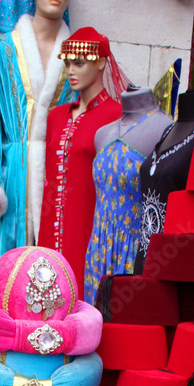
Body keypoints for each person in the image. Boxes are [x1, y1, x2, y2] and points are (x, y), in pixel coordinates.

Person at [0, 0, 91, 259]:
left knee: (53, 276)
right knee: (9, 275)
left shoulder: (79, 60)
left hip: (60, 181)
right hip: (12, 178)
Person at [38, 28, 127, 298]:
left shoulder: (117, 115)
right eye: (67, 63)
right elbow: (49, 179)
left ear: (100, 62)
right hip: (49, 227)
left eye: (79, 62)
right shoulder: (56, 116)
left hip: (90, 230)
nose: (71, 71)